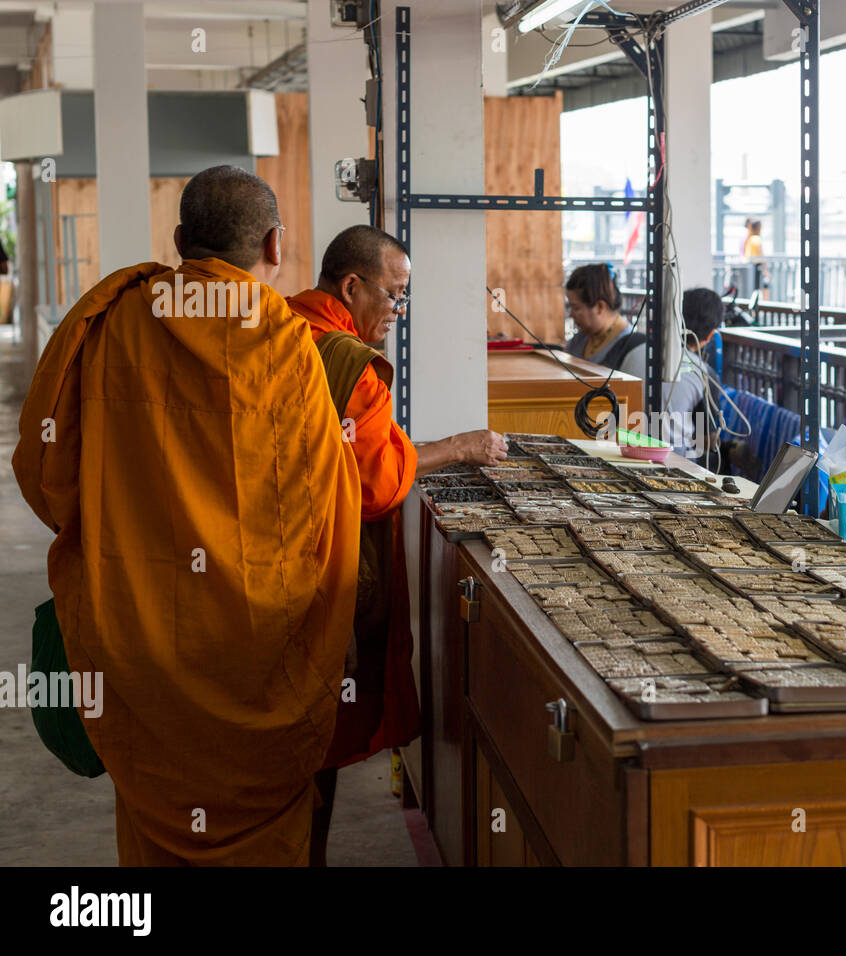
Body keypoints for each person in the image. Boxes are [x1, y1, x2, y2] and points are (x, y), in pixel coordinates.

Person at [12, 165, 362, 865]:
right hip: (258, 640)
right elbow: (327, 497)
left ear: (178, 239)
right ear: (274, 244)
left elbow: (43, 468)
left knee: (157, 801)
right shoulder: (288, 343)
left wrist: (109, 533)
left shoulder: (113, 321)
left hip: (139, 624)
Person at [286, 224, 507, 865]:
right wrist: (462, 447)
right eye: (394, 295)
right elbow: (379, 486)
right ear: (352, 287)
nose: (398, 313)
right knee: (314, 741)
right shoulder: (348, 362)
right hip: (313, 579)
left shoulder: (276, 329)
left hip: (243, 567)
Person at [663, 287, 724, 460]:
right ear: (711, 335)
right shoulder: (705, 373)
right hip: (675, 464)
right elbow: (706, 441)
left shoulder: (638, 349)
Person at [564, 263, 645, 381]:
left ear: (600, 307)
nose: (571, 314)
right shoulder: (580, 339)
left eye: (576, 308)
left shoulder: (629, 349)